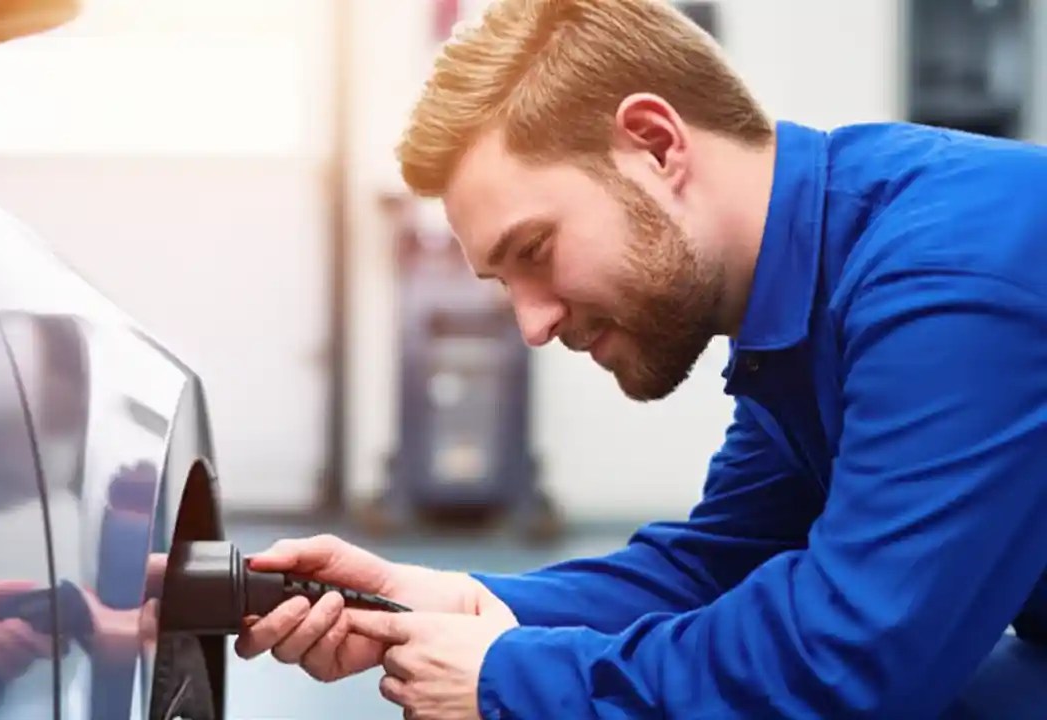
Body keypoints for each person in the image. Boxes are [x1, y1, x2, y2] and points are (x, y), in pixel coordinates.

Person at [234, 0, 1047, 717]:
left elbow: (850, 662)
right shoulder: (806, 295)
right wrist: (462, 602)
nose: (533, 325)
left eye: (536, 249)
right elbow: (716, 568)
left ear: (655, 145)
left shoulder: (949, 279)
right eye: (503, 283)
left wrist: (509, 677)